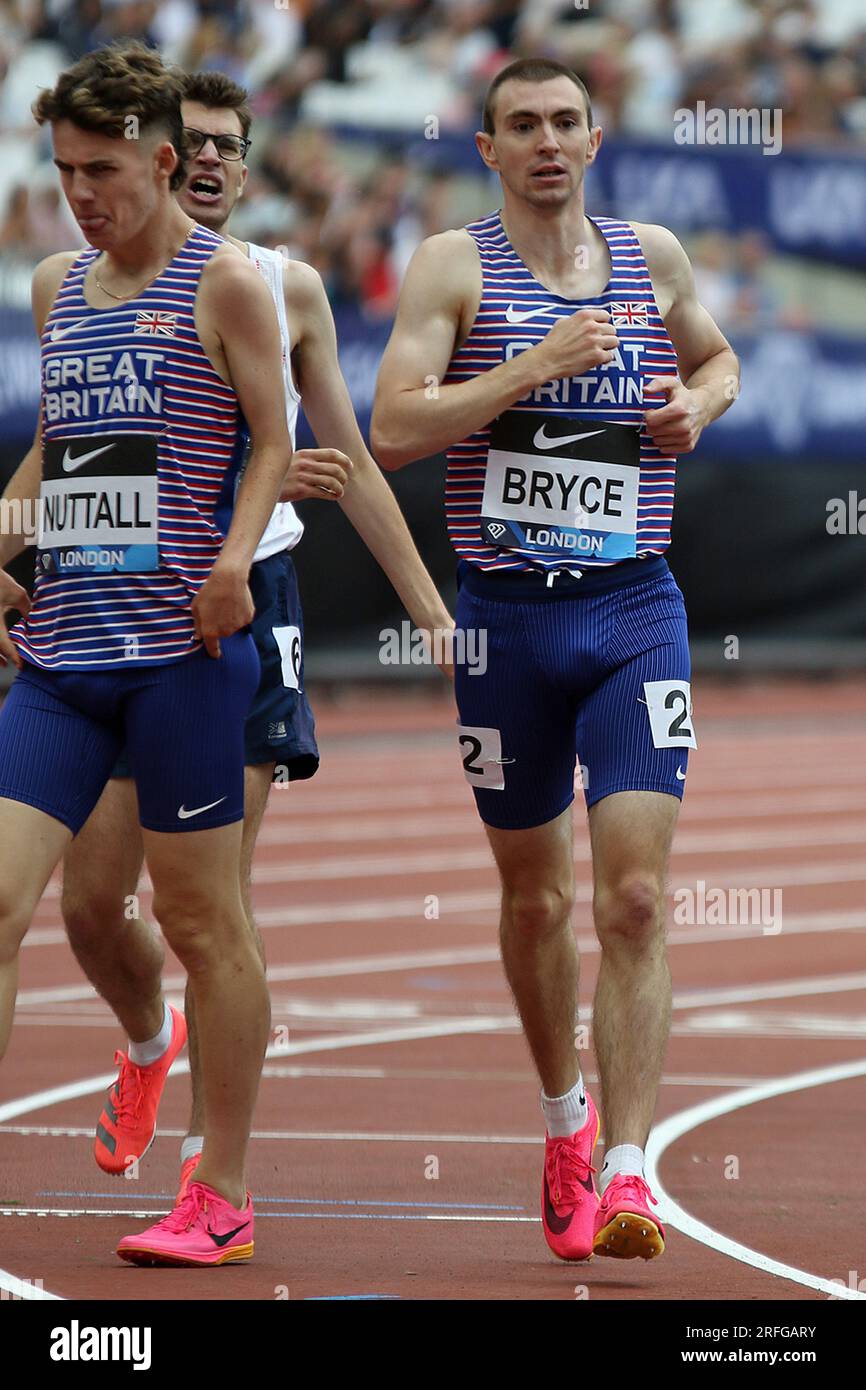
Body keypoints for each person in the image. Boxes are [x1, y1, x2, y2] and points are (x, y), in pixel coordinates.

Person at [0, 67, 453, 1221]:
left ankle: (217, 1179)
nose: (200, 161)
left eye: (219, 147)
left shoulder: (267, 285)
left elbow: (324, 453)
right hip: (76, 627)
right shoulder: (65, 286)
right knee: (94, 909)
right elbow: (66, 451)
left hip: (230, 610)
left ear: (232, 165)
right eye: (66, 171)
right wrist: (5, 545)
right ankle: (149, 1041)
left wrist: (429, 613)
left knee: (207, 909)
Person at [372, 56, 739, 1263]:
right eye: (519, 124)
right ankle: (562, 1120)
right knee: (535, 897)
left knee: (631, 895)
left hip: (634, 610)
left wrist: (697, 407)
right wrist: (531, 368)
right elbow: (390, 427)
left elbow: (718, 359)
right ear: (485, 147)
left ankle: (631, 1167)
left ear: (596, 136)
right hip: (504, 624)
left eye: (563, 122)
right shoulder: (451, 265)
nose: (544, 141)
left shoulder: (654, 259)